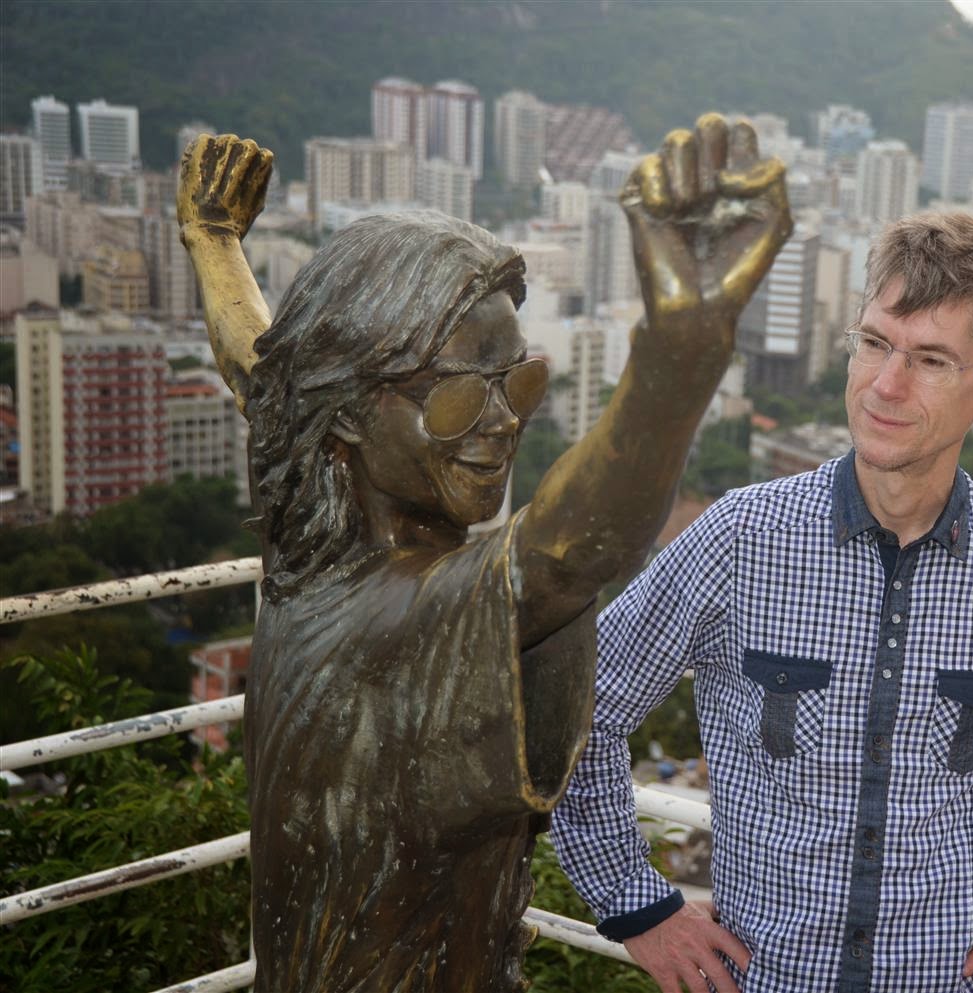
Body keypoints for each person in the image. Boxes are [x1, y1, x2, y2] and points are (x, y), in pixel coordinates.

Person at [175, 115, 790, 992]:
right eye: (460, 395)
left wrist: (212, 240)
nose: (502, 421)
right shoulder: (396, 613)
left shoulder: (307, 537)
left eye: (518, 380)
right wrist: (682, 348)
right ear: (351, 411)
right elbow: (570, 550)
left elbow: (264, 376)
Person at [551, 213, 973, 993]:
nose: (887, 385)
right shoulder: (740, 540)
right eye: (874, 343)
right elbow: (577, 709)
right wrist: (637, 906)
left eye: (931, 360)